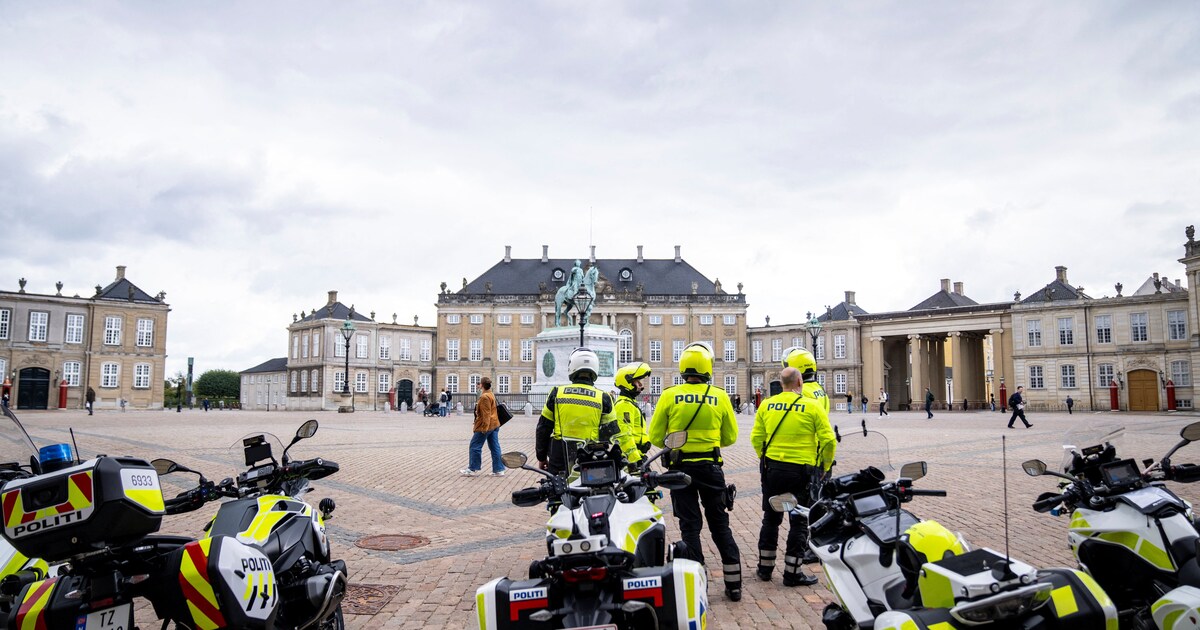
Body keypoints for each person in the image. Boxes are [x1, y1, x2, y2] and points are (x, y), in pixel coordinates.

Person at [648, 342, 742, 601]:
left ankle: (698, 584)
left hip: (680, 470)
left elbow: (656, 436)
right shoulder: (720, 396)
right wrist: (709, 442)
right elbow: (731, 436)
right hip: (711, 468)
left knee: (690, 527)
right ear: (707, 368)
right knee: (720, 525)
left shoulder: (669, 395)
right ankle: (734, 585)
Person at [753, 366, 835, 587]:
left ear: (781, 384)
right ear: (800, 382)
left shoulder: (767, 405)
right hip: (802, 472)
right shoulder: (812, 406)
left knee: (771, 518)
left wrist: (766, 458)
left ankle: (764, 568)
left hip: (773, 470)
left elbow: (756, 437)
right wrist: (824, 466)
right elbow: (828, 440)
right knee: (798, 521)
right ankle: (792, 572)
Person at [536, 348, 619, 475]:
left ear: (572, 368)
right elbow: (611, 432)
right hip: (590, 455)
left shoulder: (557, 393)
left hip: (560, 454)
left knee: (557, 491)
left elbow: (543, 428)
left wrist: (541, 457)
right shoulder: (604, 398)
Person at [461, 377, 504, 477]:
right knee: (494, 447)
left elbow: (486, 414)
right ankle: (499, 469)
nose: (478, 385)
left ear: (482, 385)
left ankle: (472, 468)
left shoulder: (484, 397)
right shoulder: (491, 394)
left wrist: (484, 428)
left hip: (487, 426)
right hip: (494, 424)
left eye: (479, 383)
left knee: (475, 446)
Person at [614, 362, 652, 471]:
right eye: (637, 382)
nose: (641, 385)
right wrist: (636, 460)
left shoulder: (630, 403)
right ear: (628, 383)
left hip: (636, 455)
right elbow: (624, 435)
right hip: (630, 460)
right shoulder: (624, 405)